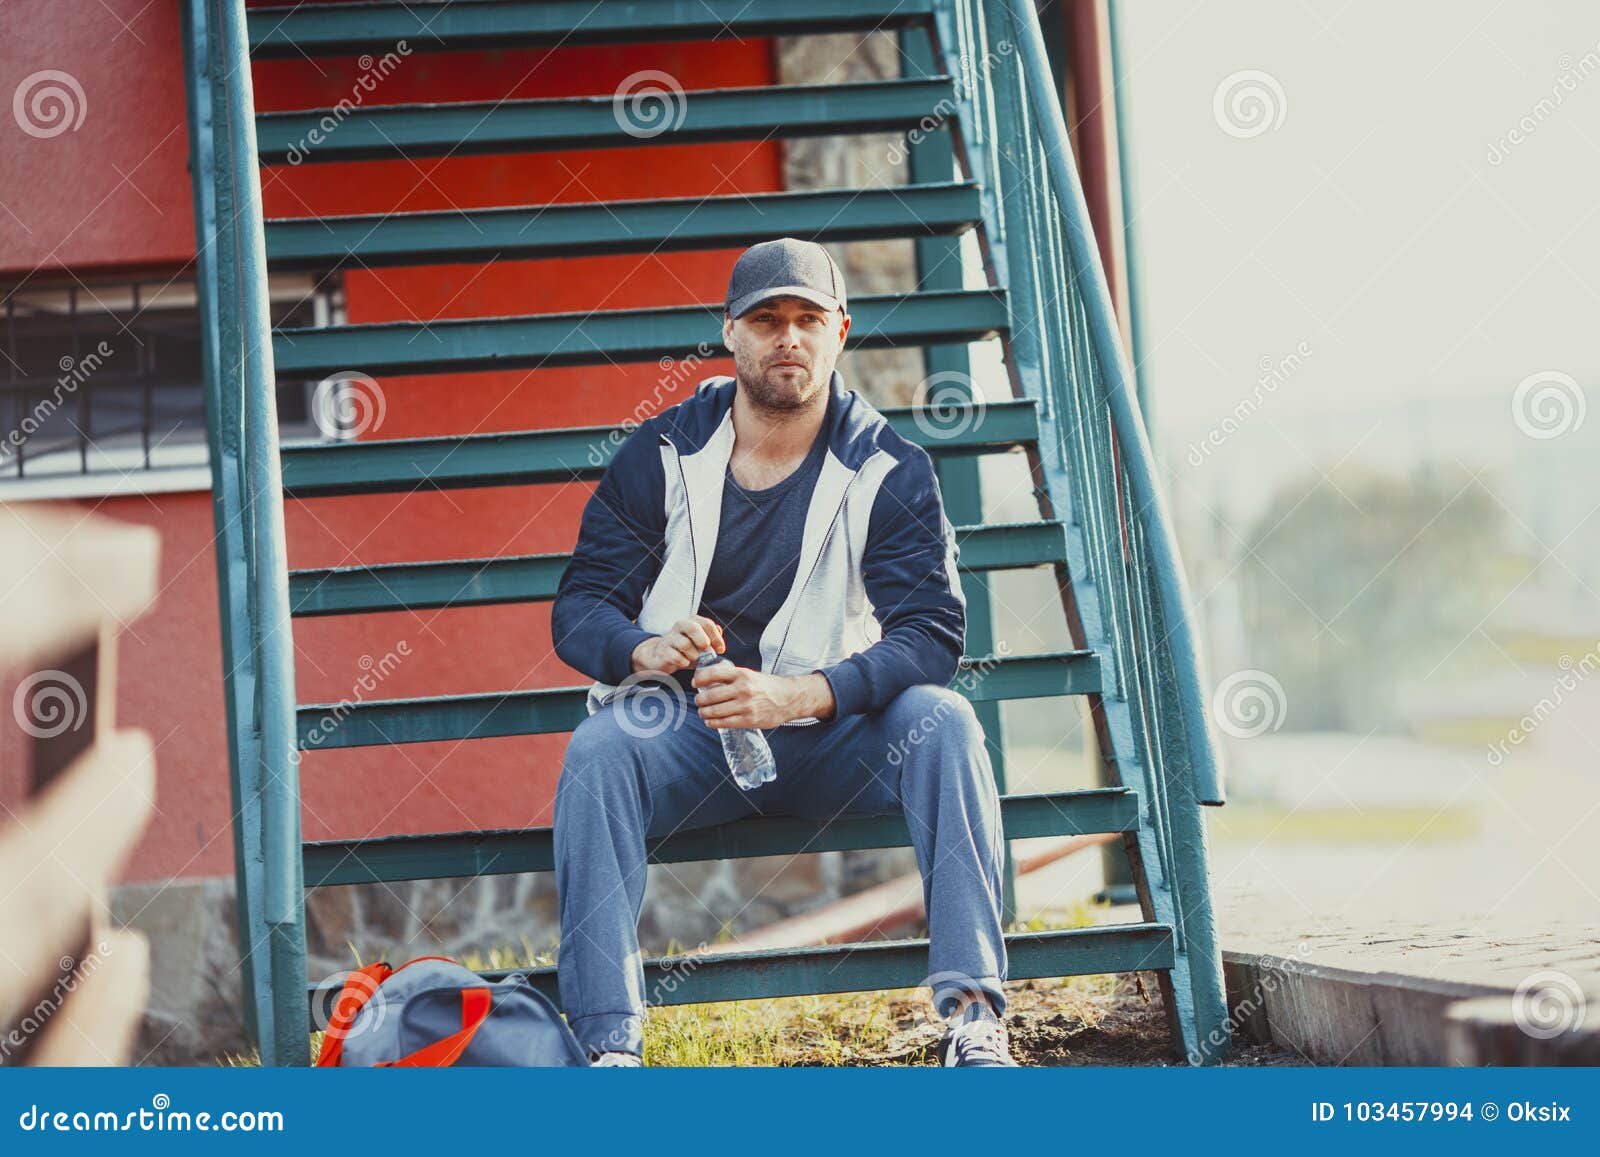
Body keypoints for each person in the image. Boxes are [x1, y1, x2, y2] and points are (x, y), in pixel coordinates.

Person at [550, 237, 1015, 1067]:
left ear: (841, 329)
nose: (788, 338)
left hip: (838, 736)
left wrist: (801, 697)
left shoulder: (888, 466)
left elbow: (933, 636)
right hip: (693, 735)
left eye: (807, 319)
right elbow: (580, 608)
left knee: (944, 722)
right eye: (767, 319)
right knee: (599, 750)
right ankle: (609, 1048)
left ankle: (973, 1021)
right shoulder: (656, 455)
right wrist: (645, 648)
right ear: (730, 332)